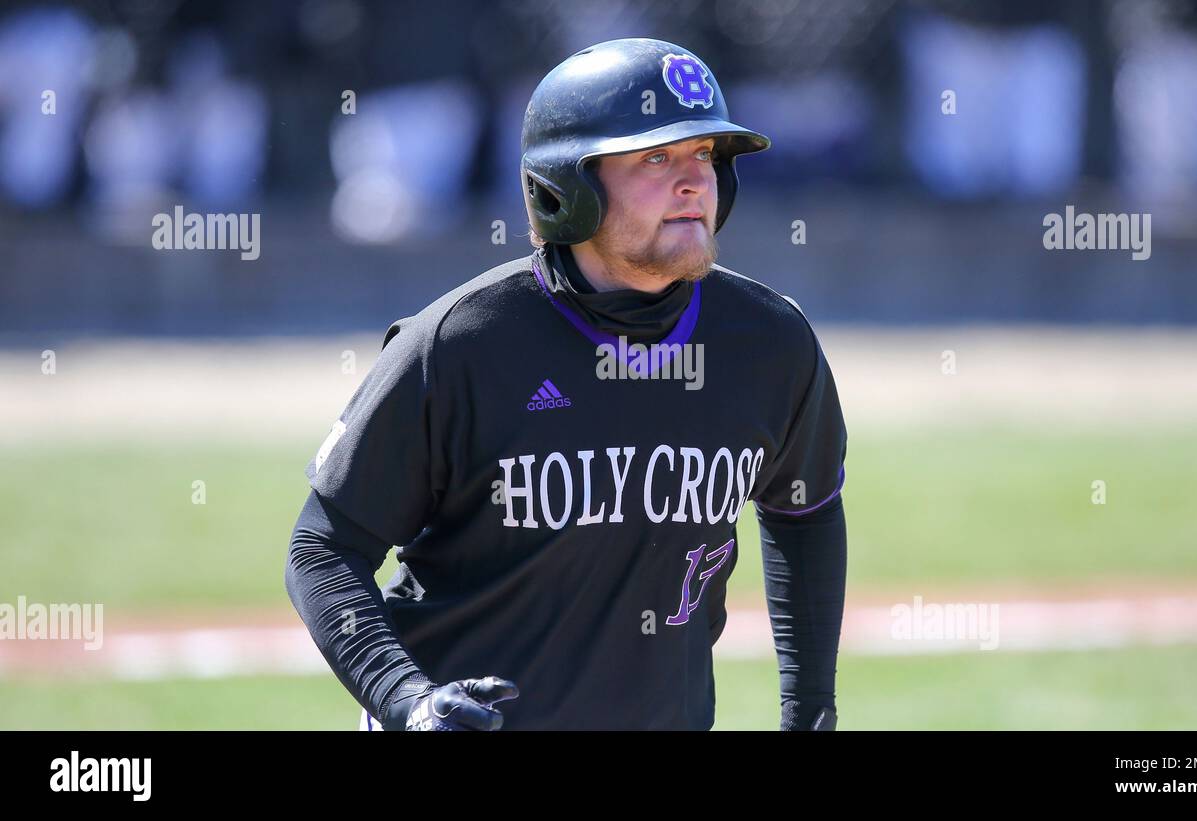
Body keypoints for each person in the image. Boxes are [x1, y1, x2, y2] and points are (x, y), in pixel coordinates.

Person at [286, 37, 848, 731]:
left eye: (704, 155)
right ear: (566, 186)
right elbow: (324, 546)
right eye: (655, 157)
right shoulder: (460, 344)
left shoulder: (768, 343)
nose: (694, 182)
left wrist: (810, 713)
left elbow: (806, 510)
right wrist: (405, 697)